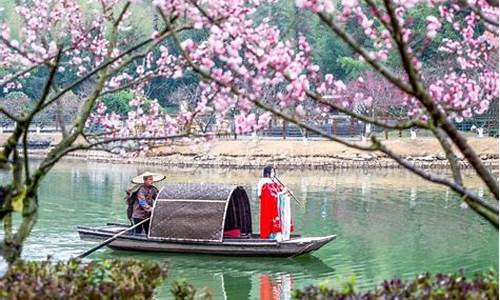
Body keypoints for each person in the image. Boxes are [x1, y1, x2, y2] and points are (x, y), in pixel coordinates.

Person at [258, 165, 293, 240]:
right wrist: (282, 193)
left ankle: (281, 237)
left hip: (276, 208)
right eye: (272, 172)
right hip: (269, 209)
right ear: (267, 174)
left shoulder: (274, 183)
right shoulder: (265, 184)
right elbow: (271, 196)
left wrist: (287, 193)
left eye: (274, 172)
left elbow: (280, 191)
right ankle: (272, 238)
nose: (273, 174)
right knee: (271, 223)